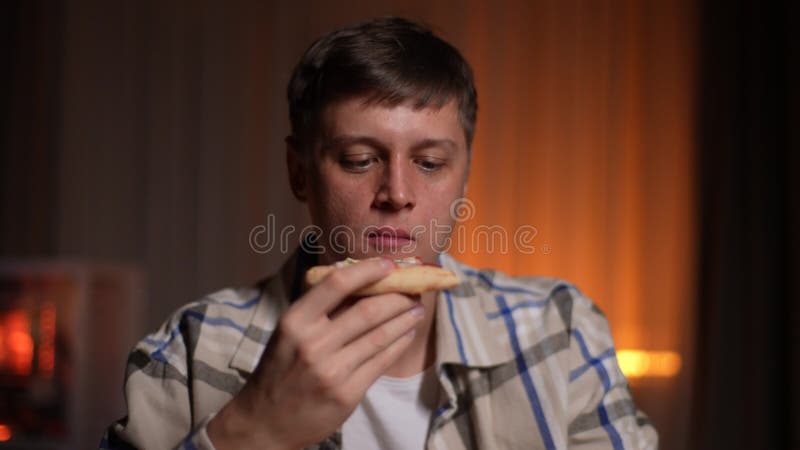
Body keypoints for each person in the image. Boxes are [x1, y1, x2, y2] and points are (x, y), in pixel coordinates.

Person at [102, 17, 658, 450]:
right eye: (360, 159)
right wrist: (252, 432)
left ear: (464, 173)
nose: (397, 192)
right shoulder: (189, 351)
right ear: (299, 173)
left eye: (431, 164)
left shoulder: (562, 334)